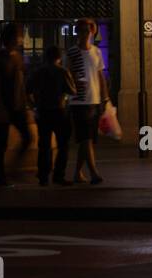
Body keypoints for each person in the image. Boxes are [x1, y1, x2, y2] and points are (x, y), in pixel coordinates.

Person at [28, 45, 77, 186]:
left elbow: (28, 89)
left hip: (43, 111)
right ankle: (58, 175)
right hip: (59, 110)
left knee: (44, 145)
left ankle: (43, 175)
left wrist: (33, 105)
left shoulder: (38, 72)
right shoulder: (63, 71)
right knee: (63, 145)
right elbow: (72, 90)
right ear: (59, 57)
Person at [66, 19, 107, 185]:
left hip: (94, 100)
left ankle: (77, 173)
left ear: (92, 32)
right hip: (78, 100)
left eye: (87, 31)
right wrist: (74, 81)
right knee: (86, 138)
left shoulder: (96, 52)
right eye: (81, 31)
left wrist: (105, 98)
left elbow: (100, 75)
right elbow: (67, 73)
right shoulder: (72, 52)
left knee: (87, 138)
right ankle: (94, 173)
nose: (84, 34)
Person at [0, 22, 31, 187]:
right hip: (5, 106)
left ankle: (12, 169)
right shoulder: (0, 59)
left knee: (27, 137)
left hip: (17, 105)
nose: (21, 38)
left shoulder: (17, 57)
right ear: (11, 38)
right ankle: (0, 176)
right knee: (2, 142)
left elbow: (21, 82)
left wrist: (25, 103)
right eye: (18, 35)